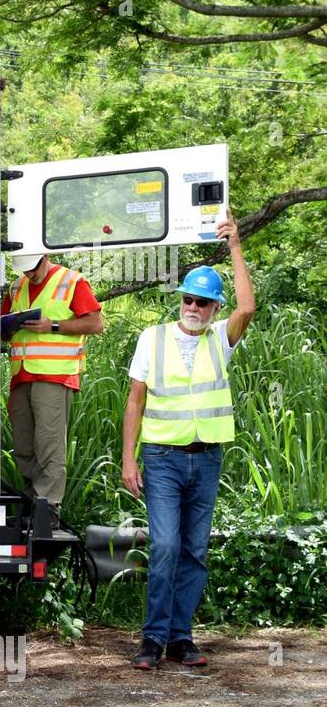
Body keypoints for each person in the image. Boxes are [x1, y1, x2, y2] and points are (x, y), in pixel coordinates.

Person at [121, 209, 255, 670]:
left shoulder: (221, 339)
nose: (194, 308)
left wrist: (234, 243)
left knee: (195, 551)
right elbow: (134, 402)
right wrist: (128, 460)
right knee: (165, 547)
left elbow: (249, 308)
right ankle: (152, 639)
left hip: (207, 459)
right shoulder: (152, 338)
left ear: (215, 308)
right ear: (180, 301)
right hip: (161, 459)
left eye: (203, 302)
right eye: (188, 300)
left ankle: (181, 637)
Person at [2, 252, 104, 512]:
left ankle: (47, 512)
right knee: (24, 447)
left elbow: (95, 323)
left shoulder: (71, 281)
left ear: (44, 257)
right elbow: (1, 328)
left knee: (49, 446)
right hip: (21, 375)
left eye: (32, 269)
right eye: (23, 270)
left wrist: (52, 326)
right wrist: (9, 327)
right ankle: (30, 507)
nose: (29, 275)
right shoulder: (17, 286)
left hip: (54, 376)